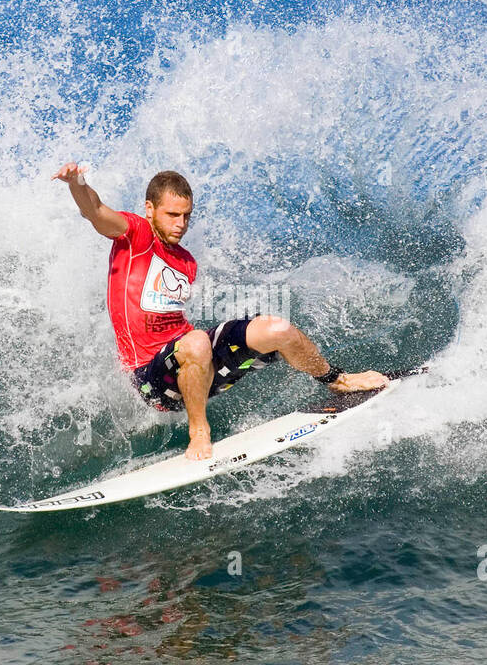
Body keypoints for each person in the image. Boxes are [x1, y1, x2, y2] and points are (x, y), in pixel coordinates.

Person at [53, 162, 388, 460]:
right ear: (150, 209)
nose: (181, 223)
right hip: (148, 380)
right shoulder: (135, 235)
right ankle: (199, 432)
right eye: (172, 215)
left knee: (277, 330)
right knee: (196, 341)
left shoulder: (186, 261)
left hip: (193, 365)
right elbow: (95, 211)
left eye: (186, 215)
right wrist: (76, 184)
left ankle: (338, 380)